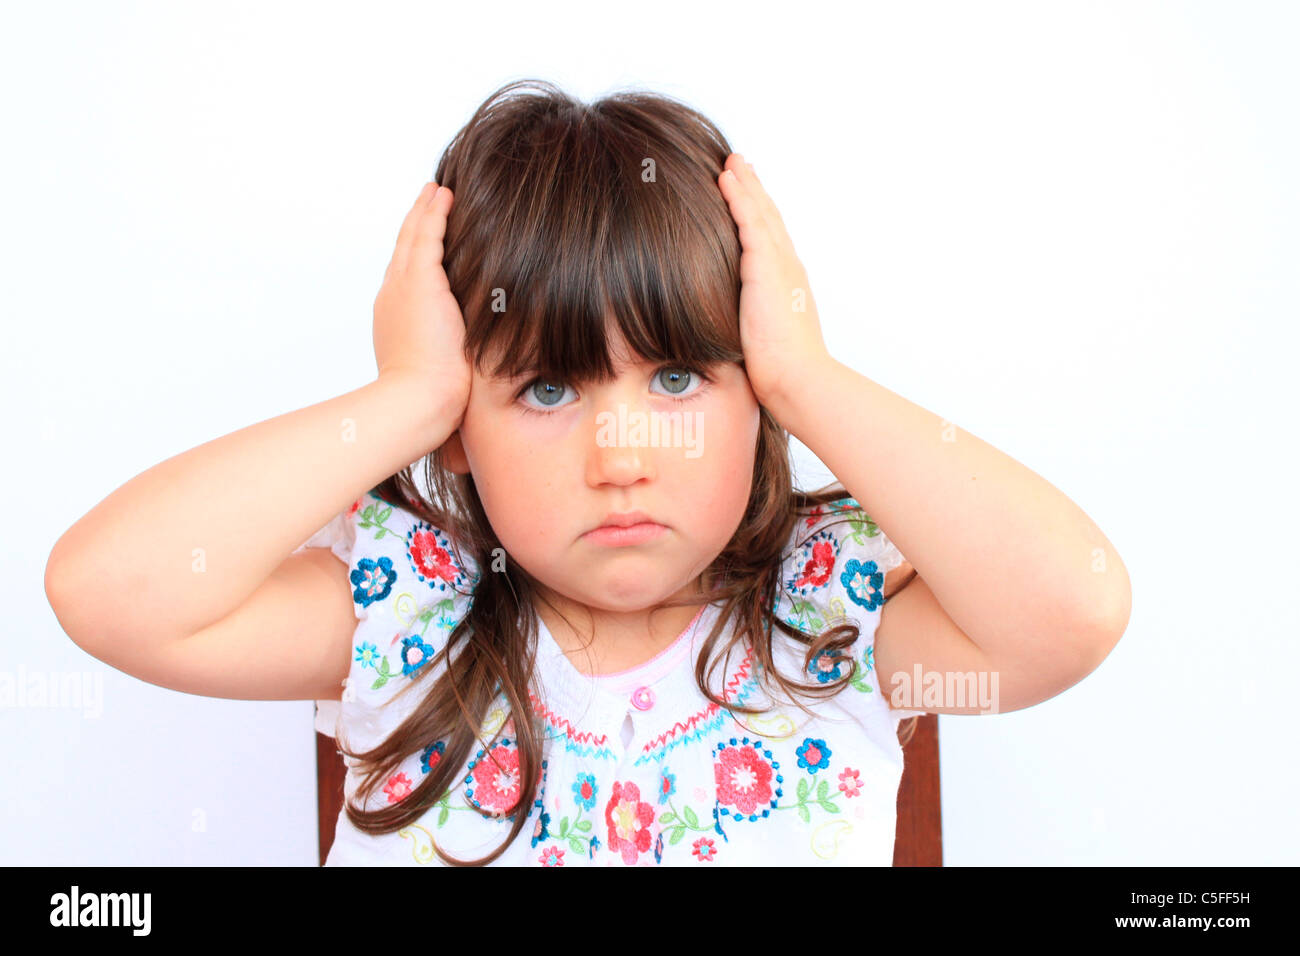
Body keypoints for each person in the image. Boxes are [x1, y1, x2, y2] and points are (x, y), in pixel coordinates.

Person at [44, 78, 1131, 867]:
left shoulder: (824, 621)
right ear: (465, 423)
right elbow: (107, 590)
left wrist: (806, 375)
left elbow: (1073, 607)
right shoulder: (410, 614)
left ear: (751, 389)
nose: (621, 458)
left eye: (677, 380)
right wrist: (406, 402)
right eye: (549, 391)